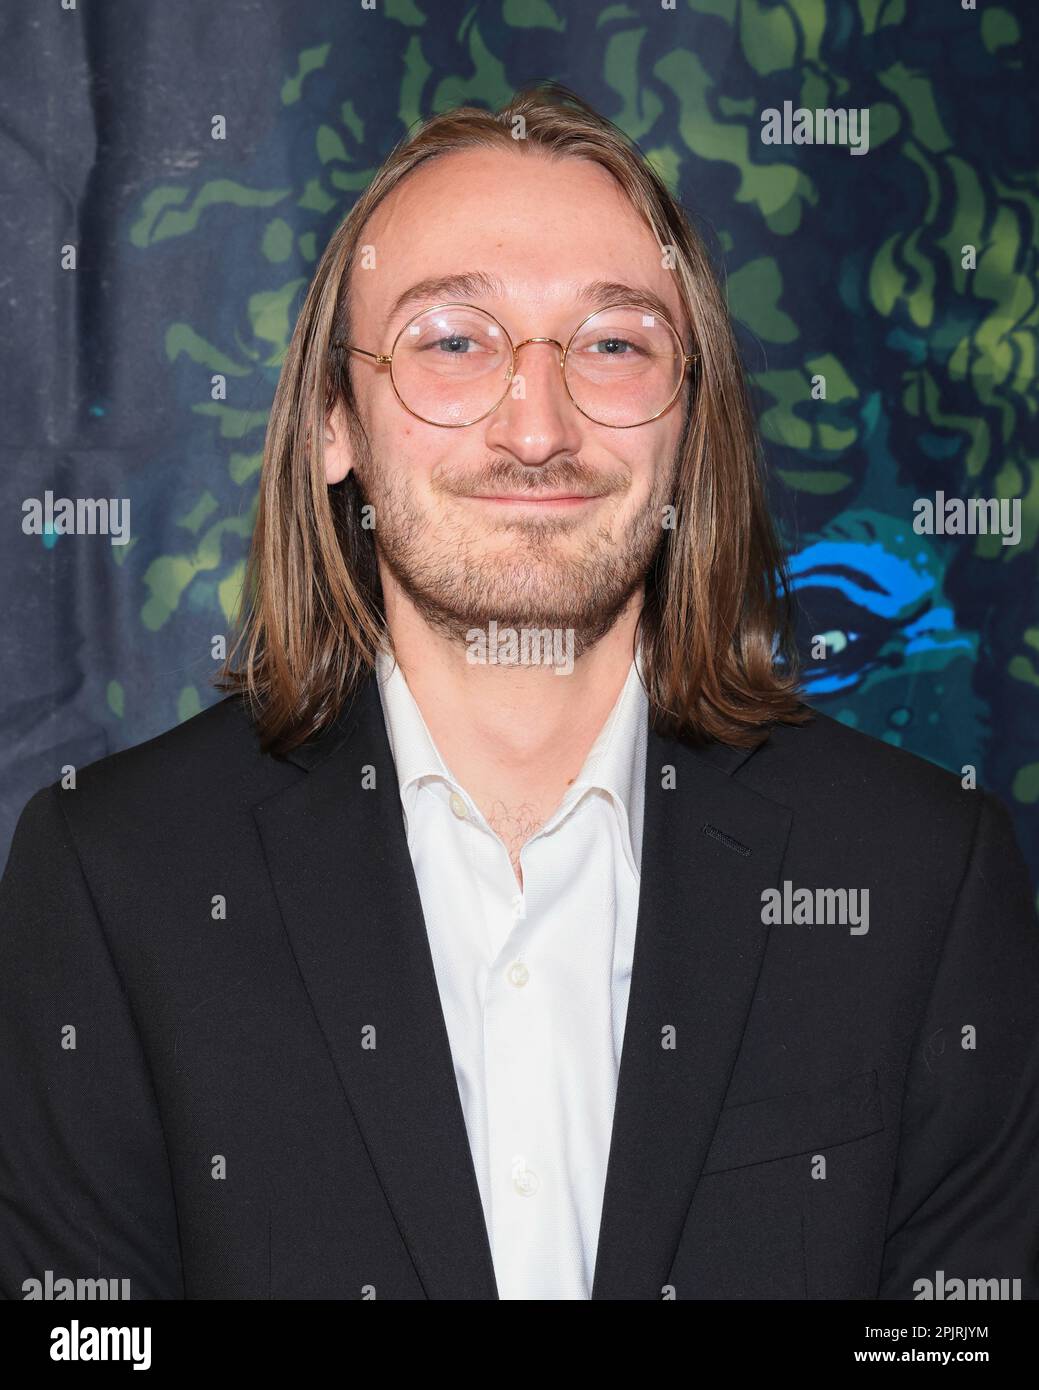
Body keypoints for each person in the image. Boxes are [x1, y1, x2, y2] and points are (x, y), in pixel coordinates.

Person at [1, 83, 1036, 1302]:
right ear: (335, 418)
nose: (536, 427)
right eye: (453, 341)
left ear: (689, 418)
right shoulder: (117, 874)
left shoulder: (919, 873)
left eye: (612, 344)